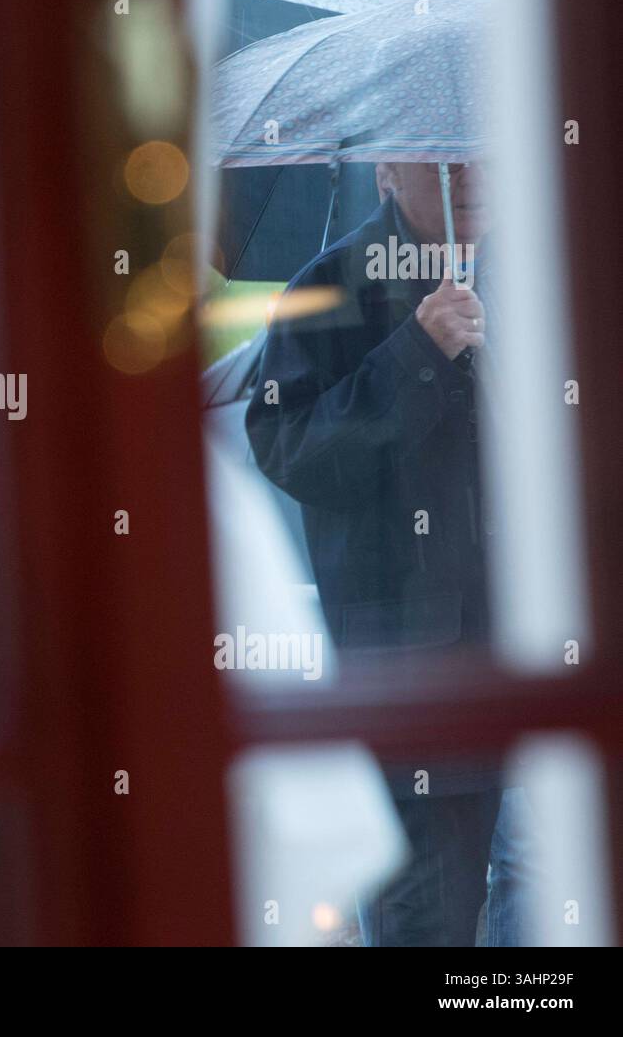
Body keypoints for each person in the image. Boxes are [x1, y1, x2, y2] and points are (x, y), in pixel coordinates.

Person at [246, 160, 518, 946]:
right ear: (387, 172)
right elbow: (291, 451)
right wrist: (418, 353)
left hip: (542, 645)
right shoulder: (328, 286)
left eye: (480, 149)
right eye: (440, 154)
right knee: (426, 909)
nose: (470, 173)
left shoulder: (540, 267)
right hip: (415, 656)